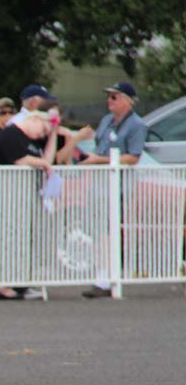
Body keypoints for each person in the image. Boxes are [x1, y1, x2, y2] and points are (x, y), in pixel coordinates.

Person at [77, 82, 149, 298]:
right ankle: (102, 274)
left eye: (115, 97)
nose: (110, 101)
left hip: (118, 185)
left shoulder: (137, 125)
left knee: (109, 229)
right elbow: (98, 144)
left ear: (128, 100)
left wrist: (101, 160)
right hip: (98, 183)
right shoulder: (107, 120)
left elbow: (133, 157)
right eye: (109, 97)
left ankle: (106, 278)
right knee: (97, 229)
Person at [0, 110, 56, 300]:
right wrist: (43, 164)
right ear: (33, 119)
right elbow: (21, 160)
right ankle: (1, 285)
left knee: (21, 239)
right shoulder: (11, 134)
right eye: (42, 130)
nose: (41, 136)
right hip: (7, 196)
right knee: (7, 239)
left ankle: (18, 281)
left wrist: (53, 132)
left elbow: (48, 159)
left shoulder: (31, 140)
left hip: (23, 200)